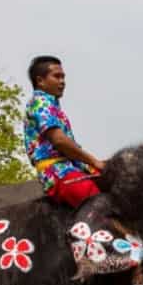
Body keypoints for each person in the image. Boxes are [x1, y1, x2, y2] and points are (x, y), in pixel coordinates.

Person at [23, 56, 107, 207]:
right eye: (57, 76)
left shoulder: (52, 105)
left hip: (72, 167)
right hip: (58, 172)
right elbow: (59, 141)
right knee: (99, 206)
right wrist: (94, 162)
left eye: (63, 77)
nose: (62, 81)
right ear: (40, 81)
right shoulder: (40, 103)